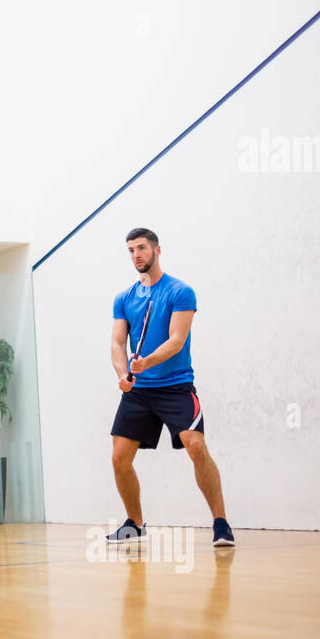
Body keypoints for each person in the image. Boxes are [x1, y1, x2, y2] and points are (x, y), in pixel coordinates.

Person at [107, 228, 235, 547]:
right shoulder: (124, 298)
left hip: (176, 387)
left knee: (195, 445)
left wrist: (145, 362)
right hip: (139, 392)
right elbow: (117, 342)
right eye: (131, 250)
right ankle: (135, 524)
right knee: (119, 458)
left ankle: (220, 522)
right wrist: (124, 374)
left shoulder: (181, 291)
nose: (136, 254)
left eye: (141, 248)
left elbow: (177, 341)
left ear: (157, 250)